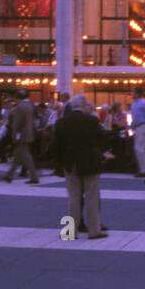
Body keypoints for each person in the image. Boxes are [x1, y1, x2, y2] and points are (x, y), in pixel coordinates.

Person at [55, 94, 108, 239]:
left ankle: (71, 231)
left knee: (73, 197)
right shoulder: (91, 120)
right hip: (90, 162)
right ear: (84, 105)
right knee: (92, 197)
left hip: (71, 163)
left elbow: (57, 145)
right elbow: (103, 137)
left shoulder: (62, 122)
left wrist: (60, 163)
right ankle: (94, 230)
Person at [1, 90, 41, 184]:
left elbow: (17, 123)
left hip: (22, 134)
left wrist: (14, 135)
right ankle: (9, 175)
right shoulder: (31, 105)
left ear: (18, 97)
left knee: (25, 155)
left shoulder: (19, 107)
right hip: (30, 133)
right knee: (18, 155)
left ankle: (34, 176)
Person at [130, 86, 145, 177]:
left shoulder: (143, 103)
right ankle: (143, 169)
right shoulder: (134, 104)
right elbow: (134, 118)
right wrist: (132, 128)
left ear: (138, 94)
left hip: (143, 126)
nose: (132, 94)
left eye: (134, 92)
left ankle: (144, 170)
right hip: (138, 127)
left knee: (140, 149)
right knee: (138, 149)